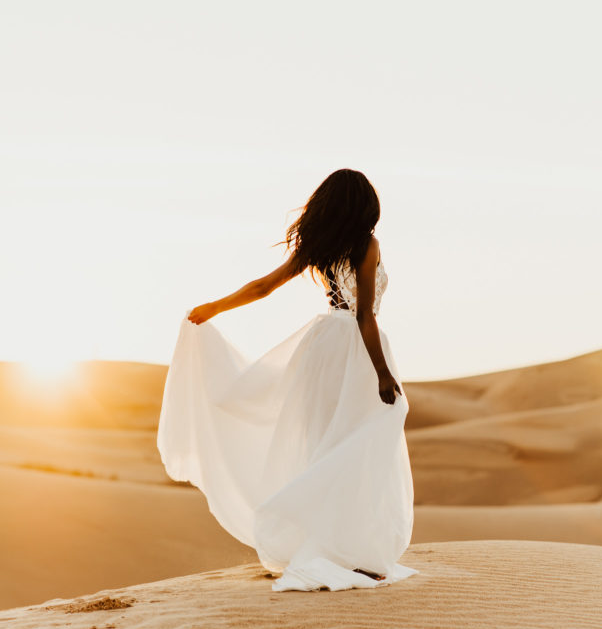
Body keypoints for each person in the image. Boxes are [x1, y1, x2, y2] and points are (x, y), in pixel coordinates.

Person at [157, 168, 419, 592]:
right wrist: (383, 373)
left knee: (325, 446)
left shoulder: (323, 246)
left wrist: (216, 306)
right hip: (357, 352)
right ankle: (348, 552)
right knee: (357, 449)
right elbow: (364, 315)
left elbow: (264, 286)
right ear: (364, 207)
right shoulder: (366, 245)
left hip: (322, 352)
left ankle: (331, 548)